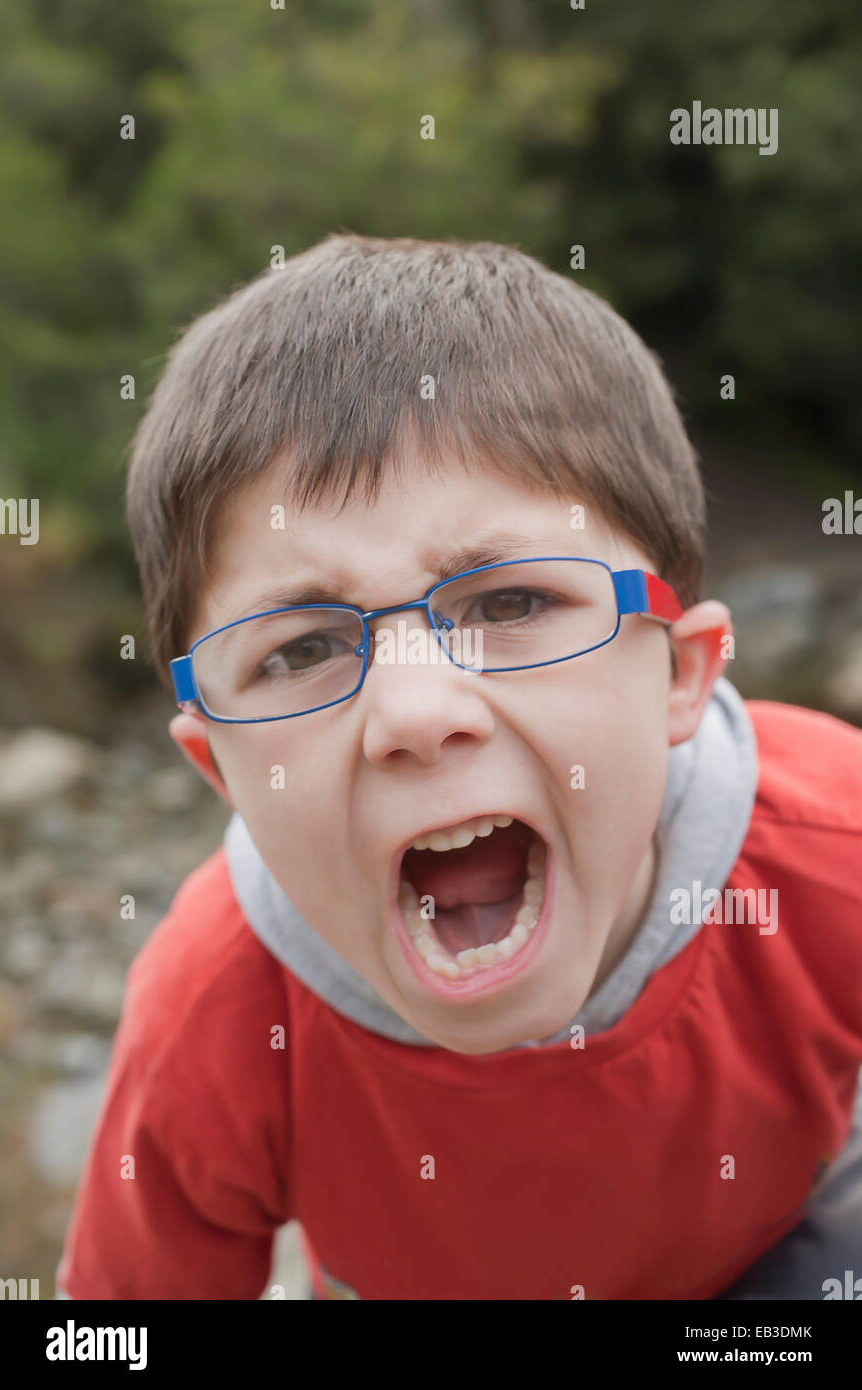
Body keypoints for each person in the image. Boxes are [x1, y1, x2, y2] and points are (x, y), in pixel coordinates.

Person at [56, 235, 862, 1300]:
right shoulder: (216, 1005)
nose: (415, 712)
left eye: (509, 604)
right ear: (223, 772)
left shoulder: (828, 848)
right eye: (301, 649)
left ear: (677, 674)